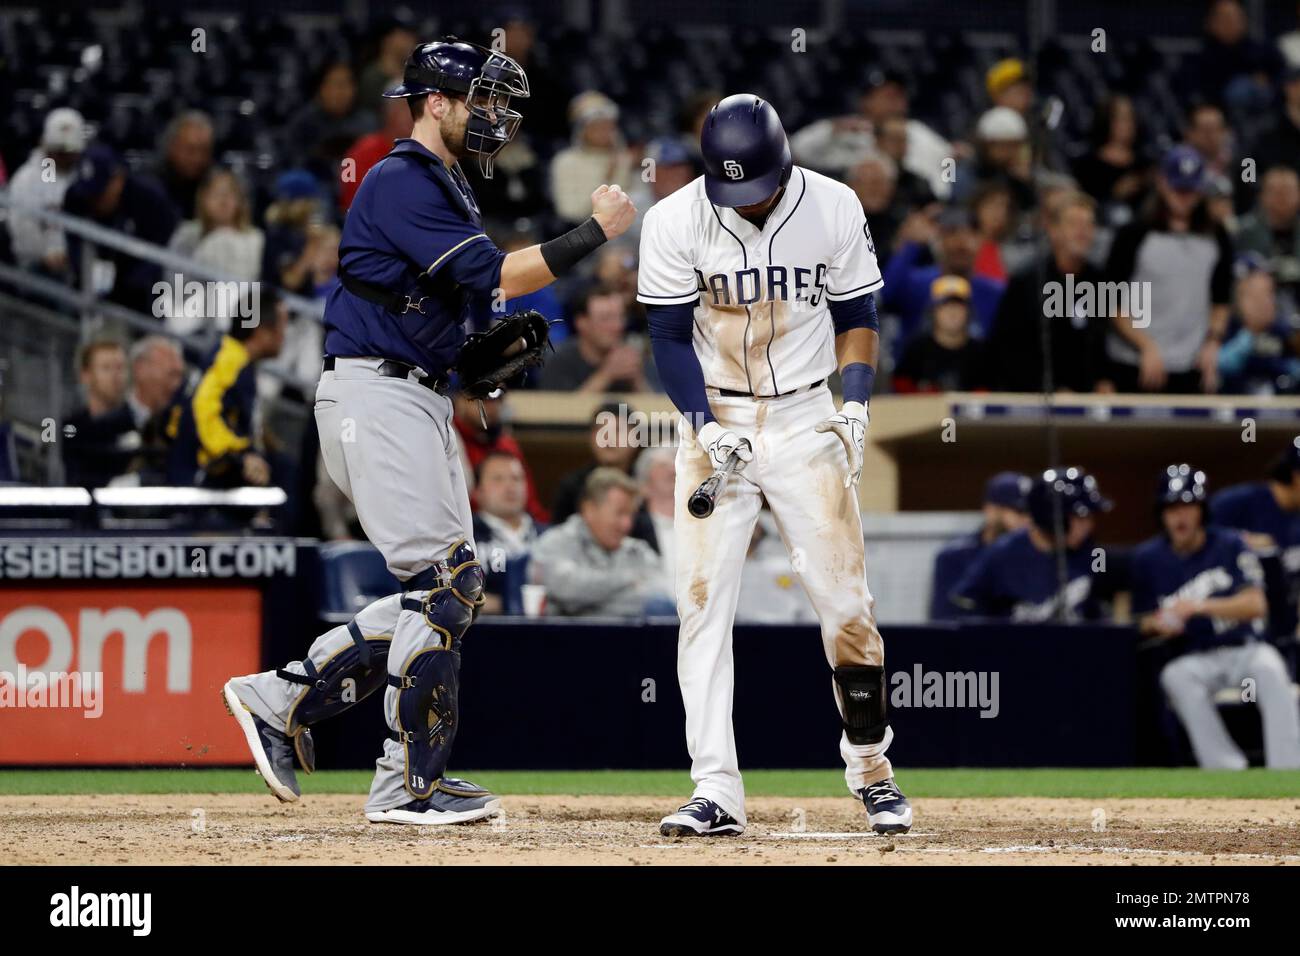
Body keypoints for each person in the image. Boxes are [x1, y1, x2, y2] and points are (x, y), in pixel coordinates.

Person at [221, 38, 635, 827]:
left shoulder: (447, 187)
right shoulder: (400, 177)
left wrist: (473, 355)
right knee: (443, 585)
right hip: (375, 397)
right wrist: (596, 231)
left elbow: (470, 308)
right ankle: (406, 783)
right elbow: (499, 275)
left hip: (410, 397)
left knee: (451, 588)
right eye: (481, 100)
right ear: (435, 103)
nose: (495, 116)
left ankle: (279, 698)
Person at [639, 94, 911, 837]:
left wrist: (854, 405)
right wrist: (700, 425)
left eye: (758, 183)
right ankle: (714, 789)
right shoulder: (674, 219)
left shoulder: (833, 204)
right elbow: (666, 337)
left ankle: (871, 771)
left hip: (803, 414)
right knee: (700, 607)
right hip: (715, 414)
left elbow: (859, 316)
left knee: (846, 603)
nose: (750, 199)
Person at [1132, 464, 1300, 769]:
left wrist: (1199, 606)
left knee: (1271, 667)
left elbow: (1256, 604)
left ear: (1201, 511)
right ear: (1161, 514)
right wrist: (1155, 625)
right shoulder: (1147, 559)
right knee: (1175, 676)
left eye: (1187, 507)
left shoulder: (1228, 543)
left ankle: (1287, 770)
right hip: (1195, 655)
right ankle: (1227, 771)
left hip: (1244, 649)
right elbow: (1139, 621)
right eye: (1171, 508)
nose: (1179, 516)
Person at [1105, 146, 1234, 394]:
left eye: (1190, 190)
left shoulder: (1217, 235)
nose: (1184, 197)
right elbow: (1111, 301)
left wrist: (1212, 342)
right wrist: (1145, 346)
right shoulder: (1133, 233)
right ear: (1162, 183)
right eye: (1178, 189)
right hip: (1135, 362)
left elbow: (1221, 298)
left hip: (1190, 365)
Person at [986, 191, 1114, 393]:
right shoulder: (1027, 282)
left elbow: (1098, 343)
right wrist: (1051, 390)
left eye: (1089, 224)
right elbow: (1007, 350)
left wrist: (1104, 379)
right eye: (1073, 224)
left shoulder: (1099, 281)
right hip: (1033, 398)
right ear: (1053, 230)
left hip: (1087, 402)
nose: (1083, 232)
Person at [950, 467, 1111, 621]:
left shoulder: (1094, 554)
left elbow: (1100, 613)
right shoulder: (1001, 553)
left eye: (1090, 518)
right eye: (1080, 518)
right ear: (1050, 516)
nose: (1088, 526)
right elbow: (965, 605)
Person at [167, 289, 286, 488]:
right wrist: (237, 454)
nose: (285, 336)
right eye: (282, 326)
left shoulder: (235, 357)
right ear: (262, 331)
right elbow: (203, 408)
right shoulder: (229, 361)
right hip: (199, 478)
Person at [789, 69, 952, 200]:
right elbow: (796, 149)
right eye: (886, 96)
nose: (894, 103)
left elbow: (945, 164)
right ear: (865, 101)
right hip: (847, 200)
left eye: (898, 96)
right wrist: (830, 129)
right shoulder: (847, 130)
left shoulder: (915, 131)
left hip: (903, 203)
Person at [528, 467, 669, 617]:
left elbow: (663, 595)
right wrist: (629, 579)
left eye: (631, 515)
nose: (627, 524)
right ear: (589, 509)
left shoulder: (638, 551)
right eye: (620, 513)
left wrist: (588, 606)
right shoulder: (555, 543)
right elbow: (566, 589)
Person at [62, 143, 179, 311]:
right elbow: (75, 247)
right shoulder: (75, 197)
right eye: (89, 194)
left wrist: (122, 285)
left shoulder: (150, 198)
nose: (94, 201)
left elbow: (162, 250)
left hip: (141, 289)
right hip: (93, 280)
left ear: (118, 180)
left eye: (100, 193)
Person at [1210, 438, 1300, 639]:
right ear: (1296, 476)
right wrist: (1242, 541)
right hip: (1235, 631)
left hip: (1284, 631)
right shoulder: (1237, 503)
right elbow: (1196, 543)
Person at [881, 206, 1005, 349]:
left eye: (971, 233)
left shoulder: (995, 293)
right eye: (952, 232)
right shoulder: (917, 284)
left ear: (981, 240)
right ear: (938, 239)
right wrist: (911, 244)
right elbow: (884, 298)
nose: (961, 242)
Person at [165, 168, 265, 335]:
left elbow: (258, 281)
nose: (223, 201)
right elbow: (174, 281)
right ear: (203, 198)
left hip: (245, 308)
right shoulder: (187, 233)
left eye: (230, 194)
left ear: (240, 201)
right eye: (216, 194)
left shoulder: (255, 237)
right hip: (191, 303)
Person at [930, 472, 1031, 620]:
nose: (1025, 520)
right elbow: (945, 620)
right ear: (990, 510)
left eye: (1029, 513)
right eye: (1018, 511)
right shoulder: (955, 556)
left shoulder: (1033, 555)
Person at [6, 107, 86, 276]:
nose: (65, 155)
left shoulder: (84, 177)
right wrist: (45, 255)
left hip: (77, 264)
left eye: (70, 151)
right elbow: (21, 227)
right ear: (45, 144)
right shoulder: (27, 178)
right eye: (59, 150)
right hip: (37, 266)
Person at [451, 391, 549, 523]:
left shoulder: (507, 444)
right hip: (466, 528)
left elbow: (530, 503)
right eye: (483, 398)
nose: (491, 406)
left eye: (497, 399)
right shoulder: (449, 437)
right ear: (461, 401)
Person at [538, 283, 655, 392]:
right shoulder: (560, 361)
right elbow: (557, 410)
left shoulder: (636, 358)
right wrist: (606, 375)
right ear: (582, 323)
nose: (617, 326)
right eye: (606, 318)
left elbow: (661, 410)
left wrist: (637, 381)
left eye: (620, 317)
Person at [471, 451, 545, 614]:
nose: (510, 487)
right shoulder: (464, 539)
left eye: (516, 478)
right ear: (478, 491)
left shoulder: (550, 536)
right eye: (498, 479)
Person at [549, 92, 635, 226]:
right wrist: (607, 177)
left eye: (608, 125)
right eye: (595, 126)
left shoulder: (626, 158)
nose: (604, 131)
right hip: (588, 231)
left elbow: (642, 200)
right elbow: (569, 212)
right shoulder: (565, 161)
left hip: (630, 225)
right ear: (581, 129)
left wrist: (647, 166)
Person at [550, 400, 642, 525]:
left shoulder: (646, 485)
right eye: (602, 430)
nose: (608, 437)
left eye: (618, 430)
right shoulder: (572, 487)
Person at [891, 275, 987, 393]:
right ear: (933, 311)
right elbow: (900, 389)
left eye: (959, 305)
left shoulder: (981, 352)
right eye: (945, 305)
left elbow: (987, 394)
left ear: (969, 311)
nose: (952, 312)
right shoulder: (917, 349)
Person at [1217, 260, 1300, 394]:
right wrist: (1250, 332)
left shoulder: (1281, 330)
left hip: (1279, 408)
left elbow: (1293, 368)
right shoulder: (1225, 328)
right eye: (1257, 297)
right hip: (1237, 406)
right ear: (1239, 298)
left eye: (1270, 294)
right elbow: (1222, 365)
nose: (1267, 303)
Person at [1070, 94, 1152, 224]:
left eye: (1131, 118)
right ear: (1107, 120)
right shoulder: (1087, 166)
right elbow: (1081, 205)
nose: (1129, 124)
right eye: (1122, 118)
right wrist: (1114, 194)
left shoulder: (1146, 165)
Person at [60, 339, 131, 487]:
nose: (115, 376)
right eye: (106, 368)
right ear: (85, 375)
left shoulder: (137, 422)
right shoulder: (71, 428)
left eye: (120, 368)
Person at [1234, 166, 1300, 315]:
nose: (1282, 198)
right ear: (1262, 195)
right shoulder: (1241, 233)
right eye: (1275, 192)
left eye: (1288, 191)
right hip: (1256, 316)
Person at [339, 81, 414, 212]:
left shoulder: (428, 153)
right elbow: (351, 203)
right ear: (389, 112)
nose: (412, 115)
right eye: (405, 107)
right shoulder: (362, 152)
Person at [153, 111, 215, 221]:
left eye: (204, 151)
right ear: (172, 147)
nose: (198, 158)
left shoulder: (214, 184)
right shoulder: (150, 185)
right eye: (191, 150)